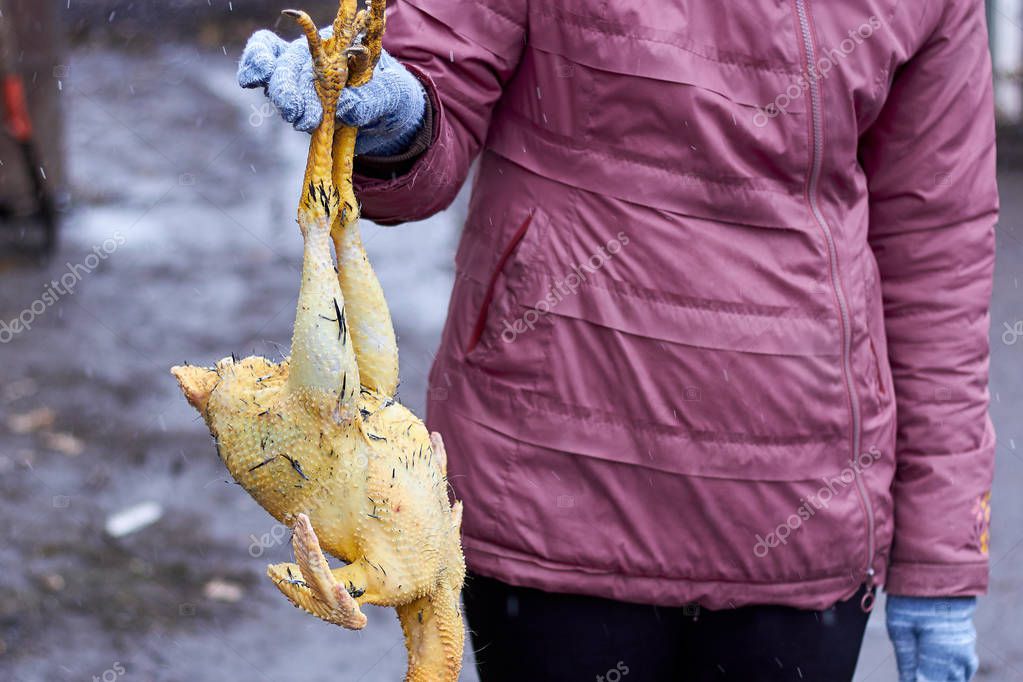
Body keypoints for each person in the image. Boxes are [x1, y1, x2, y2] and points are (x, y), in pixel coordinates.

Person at [238, 1, 996, 679]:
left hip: (799, 516)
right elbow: (439, 92)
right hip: (552, 493)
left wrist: (940, 562)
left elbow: (936, 258)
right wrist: (395, 114)